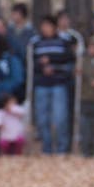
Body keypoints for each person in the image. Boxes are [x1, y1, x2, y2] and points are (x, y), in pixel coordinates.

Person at [31, 15, 75, 155]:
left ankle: (62, 148)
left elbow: (69, 58)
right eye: (43, 26)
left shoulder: (64, 41)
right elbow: (30, 63)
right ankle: (47, 149)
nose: (45, 29)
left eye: (48, 26)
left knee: (60, 117)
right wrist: (41, 66)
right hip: (41, 84)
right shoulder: (35, 42)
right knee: (42, 118)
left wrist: (51, 62)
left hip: (59, 83)